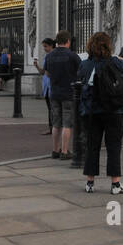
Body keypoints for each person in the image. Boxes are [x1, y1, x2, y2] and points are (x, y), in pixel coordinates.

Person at [78, 31, 123, 194]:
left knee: (92, 146)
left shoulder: (85, 64)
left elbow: (80, 82)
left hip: (91, 111)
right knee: (114, 146)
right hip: (114, 109)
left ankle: (89, 183)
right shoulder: (115, 62)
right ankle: (115, 184)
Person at [44, 30, 80, 160]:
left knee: (56, 123)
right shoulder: (72, 56)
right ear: (68, 41)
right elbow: (80, 72)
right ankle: (65, 151)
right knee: (67, 123)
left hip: (54, 92)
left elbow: (47, 73)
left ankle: (55, 150)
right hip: (69, 93)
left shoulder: (49, 56)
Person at [38, 37, 55, 135]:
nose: (44, 48)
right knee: (50, 108)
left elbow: (48, 72)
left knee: (52, 108)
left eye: (46, 46)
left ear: (51, 45)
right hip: (47, 86)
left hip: (51, 85)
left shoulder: (51, 56)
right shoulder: (46, 56)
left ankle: (53, 128)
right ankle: (51, 127)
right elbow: (43, 72)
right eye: (43, 46)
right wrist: (36, 66)